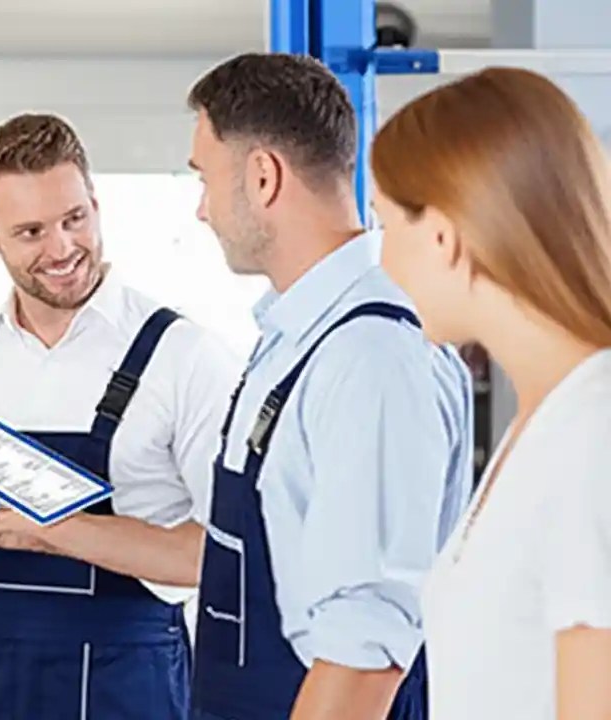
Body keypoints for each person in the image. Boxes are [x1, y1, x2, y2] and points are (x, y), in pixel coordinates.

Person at [0, 112, 242, 719]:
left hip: (130, 685)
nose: (63, 248)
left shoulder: (184, 357)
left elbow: (223, 553)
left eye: (75, 218)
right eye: (31, 232)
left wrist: (47, 531)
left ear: (96, 203)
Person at [183, 53, 475, 720]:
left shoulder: (369, 356)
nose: (201, 210)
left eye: (204, 178)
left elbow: (363, 652)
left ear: (263, 176)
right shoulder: (293, 338)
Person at [371, 67, 611, 720]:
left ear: (443, 235)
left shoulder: (591, 434)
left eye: (386, 225)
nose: (382, 264)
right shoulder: (544, 421)